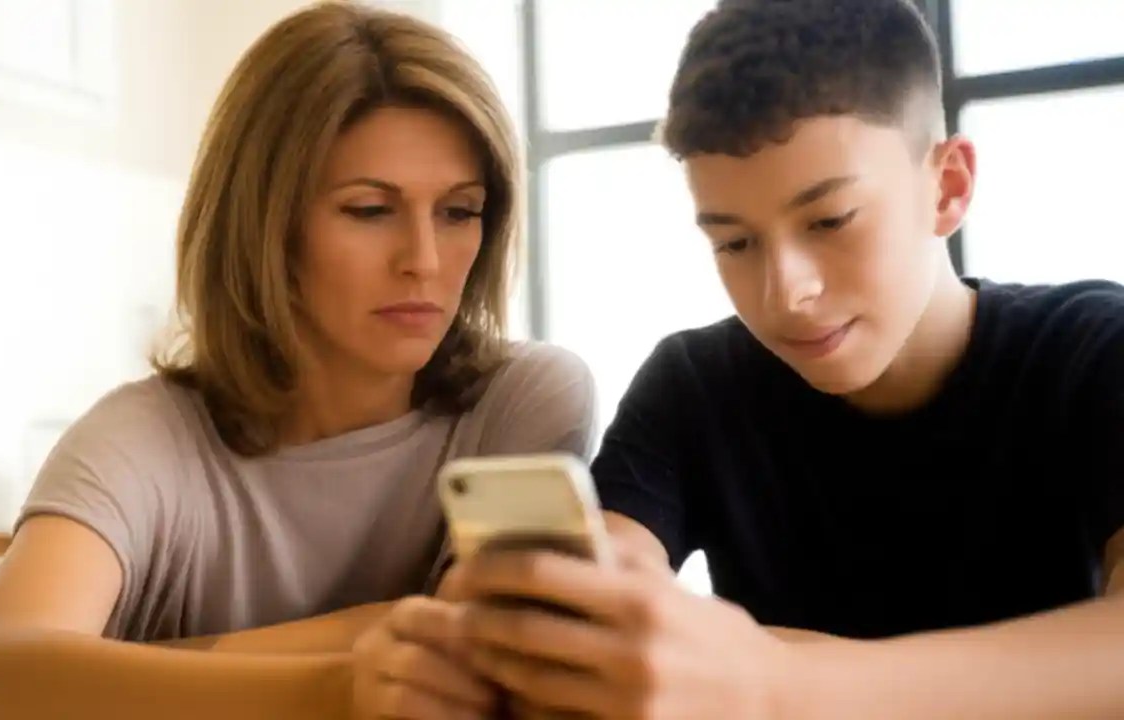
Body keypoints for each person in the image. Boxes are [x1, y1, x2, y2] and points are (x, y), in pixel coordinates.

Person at [410, 0, 1124, 717]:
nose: (786, 294)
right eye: (735, 243)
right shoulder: (694, 384)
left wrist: (779, 684)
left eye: (830, 221)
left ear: (948, 186)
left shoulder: (1092, 349)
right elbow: (602, 605)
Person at [0, 2, 594, 718]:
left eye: (459, 211)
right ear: (265, 225)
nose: (425, 260)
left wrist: (130, 670)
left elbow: (496, 664)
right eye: (370, 210)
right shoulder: (144, 437)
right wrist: (346, 685)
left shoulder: (525, 399)